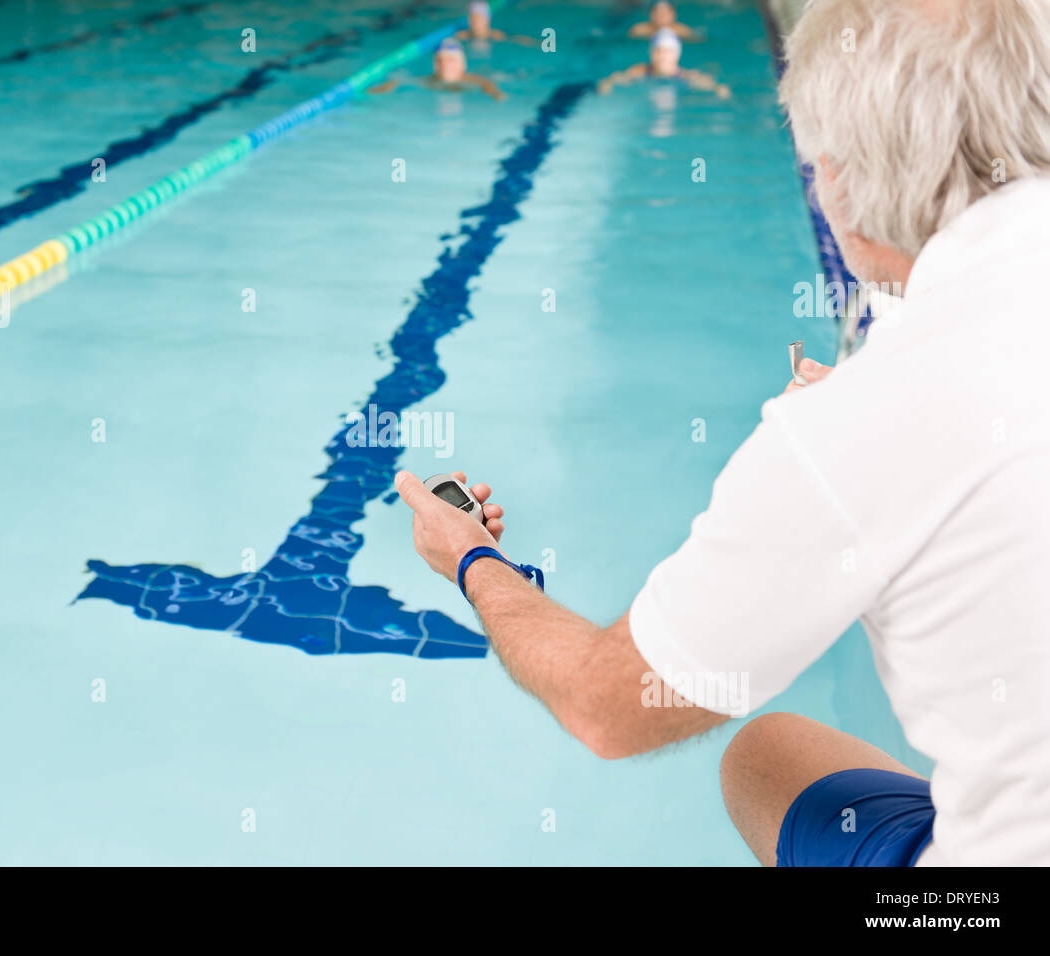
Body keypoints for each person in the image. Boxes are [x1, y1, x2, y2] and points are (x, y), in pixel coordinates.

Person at [396, 0, 1050, 866]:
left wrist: (472, 562)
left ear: (844, 179)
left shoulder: (853, 425)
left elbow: (608, 707)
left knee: (762, 756)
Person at [597, 29, 730, 97]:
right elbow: (614, 79)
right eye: (658, 51)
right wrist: (606, 84)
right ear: (651, 53)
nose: (662, 56)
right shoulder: (640, 71)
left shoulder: (686, 76)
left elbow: (714, 86)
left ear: (676, 55)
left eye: (667, 52)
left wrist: (719, 89)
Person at [369, 38, 507, 100]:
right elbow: (401, 81)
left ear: (462, 65)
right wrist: (386, 87)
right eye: (441, 61)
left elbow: (487, 84)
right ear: (435, 65)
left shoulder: (472, 79)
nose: (445, 65)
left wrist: (495, 94)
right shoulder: (430, 80)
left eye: (451, 60)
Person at [455, 1, 536, 47]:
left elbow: (515, 39)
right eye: (472, 18)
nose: (475, 22)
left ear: (487, 19)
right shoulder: (461, 36)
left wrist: (535, 43)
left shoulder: (496, 36)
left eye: (479, 18)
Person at [628, 1, 701, 41]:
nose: (661, 17)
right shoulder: (639, 31)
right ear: (651, 15)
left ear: (673, 15)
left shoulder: (682, 32)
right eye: (657, 13)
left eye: (665, 13)